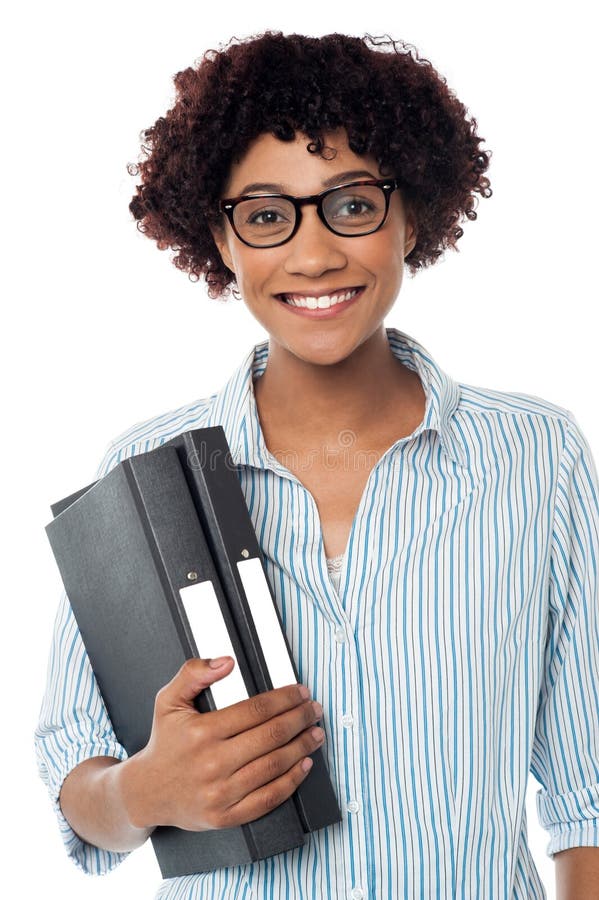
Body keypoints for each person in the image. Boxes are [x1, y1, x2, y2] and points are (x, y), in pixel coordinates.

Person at [35, 31, 599, 899]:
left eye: (352, 205)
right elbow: (79, 784)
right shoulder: (147, 475)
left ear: (412, 215)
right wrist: (143, 791)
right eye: (267, 216)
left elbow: (586, 796)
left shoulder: (538, 457)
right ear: (220, 239)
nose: (313, 255)